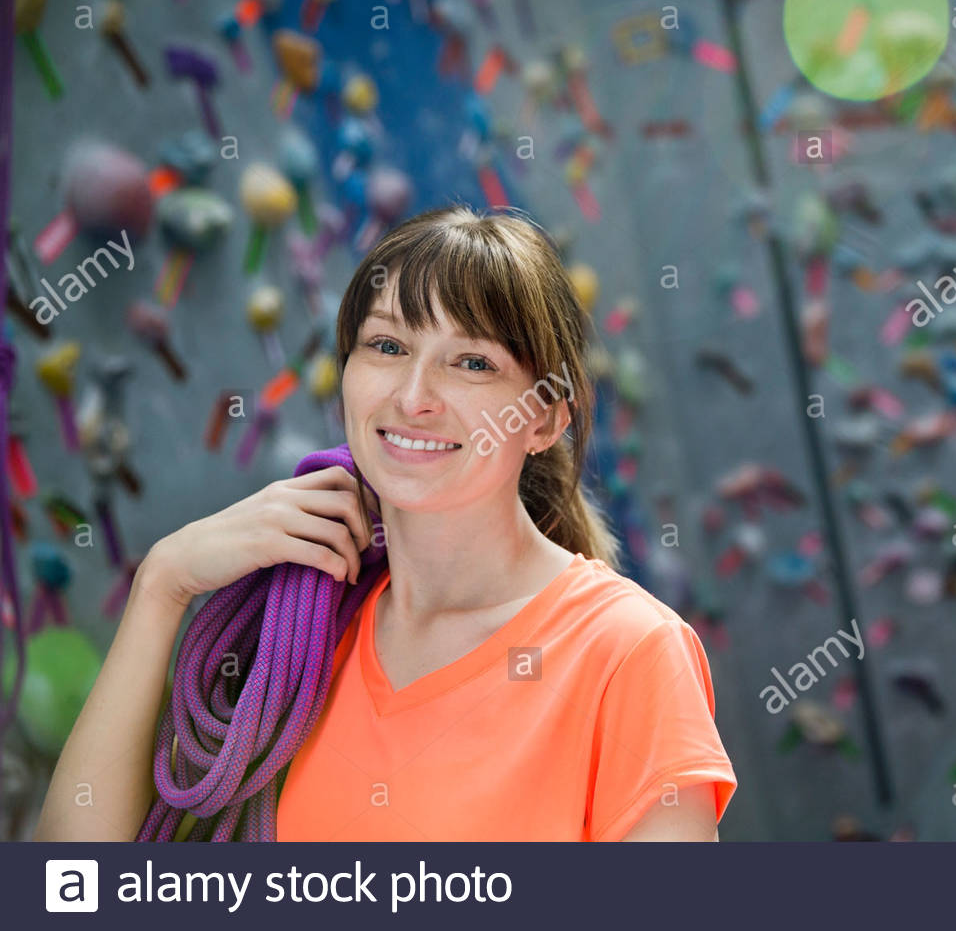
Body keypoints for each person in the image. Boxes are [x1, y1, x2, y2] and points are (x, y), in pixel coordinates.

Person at [34, 205, 736, 841]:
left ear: (547, 417)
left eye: (471, 362)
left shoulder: (627, 652)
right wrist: (162, 583)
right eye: (388, 347)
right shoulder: (298, 623)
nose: (412, 397)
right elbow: (74, 879)